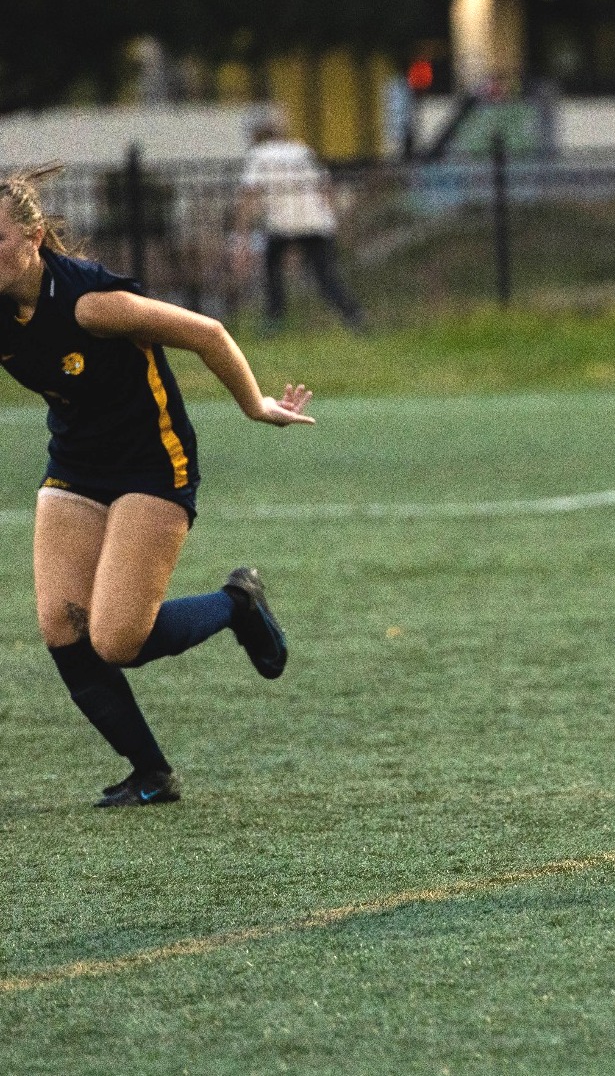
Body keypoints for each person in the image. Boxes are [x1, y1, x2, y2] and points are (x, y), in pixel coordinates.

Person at [0, 165, 314, 808]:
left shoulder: (90, 303)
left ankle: (237, 603)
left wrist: (256, 406)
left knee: (118, 640)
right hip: (76, 465)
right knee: (62, 625)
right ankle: (151, 773)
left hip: (153, 463)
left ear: (32, 237)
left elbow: (207, 332)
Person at [237, 119, 364, 333]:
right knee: (325, 275)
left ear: (257, 137)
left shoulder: (259, 154)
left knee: (272, 270)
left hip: (282, 221)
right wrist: (335, 219)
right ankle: (354, 316)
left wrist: (242, 232)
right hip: (316, 219)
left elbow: (249, 192)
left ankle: (274, 320)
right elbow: (325, 185)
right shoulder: (300, 150)